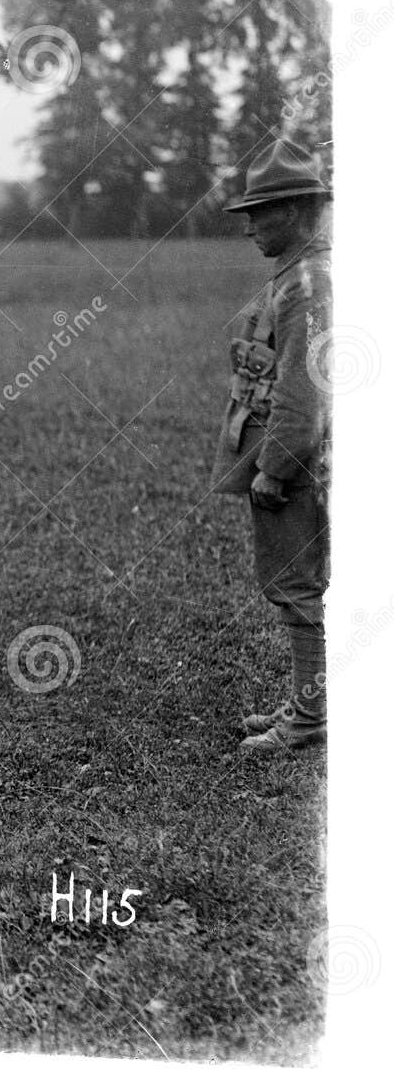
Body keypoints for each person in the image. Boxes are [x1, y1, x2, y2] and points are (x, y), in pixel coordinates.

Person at [215, 139, 332, 754]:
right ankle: (310, 704)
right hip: (294, 460)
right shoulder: (296, 275)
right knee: (296, 582)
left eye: (259, 213)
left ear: (291, 210)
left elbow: (305, 392)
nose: (251, 228)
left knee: (298, 585)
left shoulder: (308, 283)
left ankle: (310, 722)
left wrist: (276, 467)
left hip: (300, 466)